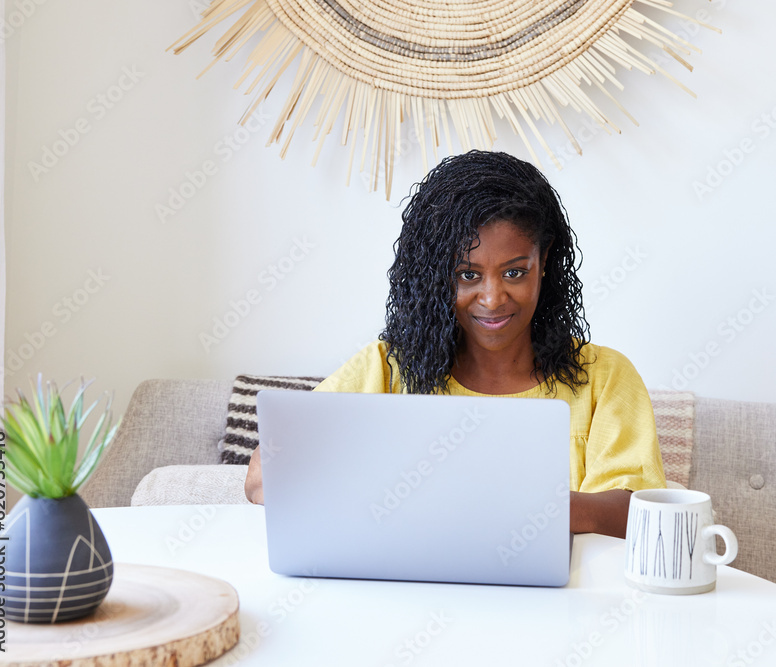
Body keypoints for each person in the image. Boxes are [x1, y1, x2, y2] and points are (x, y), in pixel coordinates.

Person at [245, 150, 665, 538]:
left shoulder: (603, 376)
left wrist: (515, 509)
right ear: (435, 274)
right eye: (467, 275)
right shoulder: (387, 368)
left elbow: (640, 511)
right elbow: (263, 479)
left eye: (515, 272)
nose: (493, 297)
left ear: (545, 260)